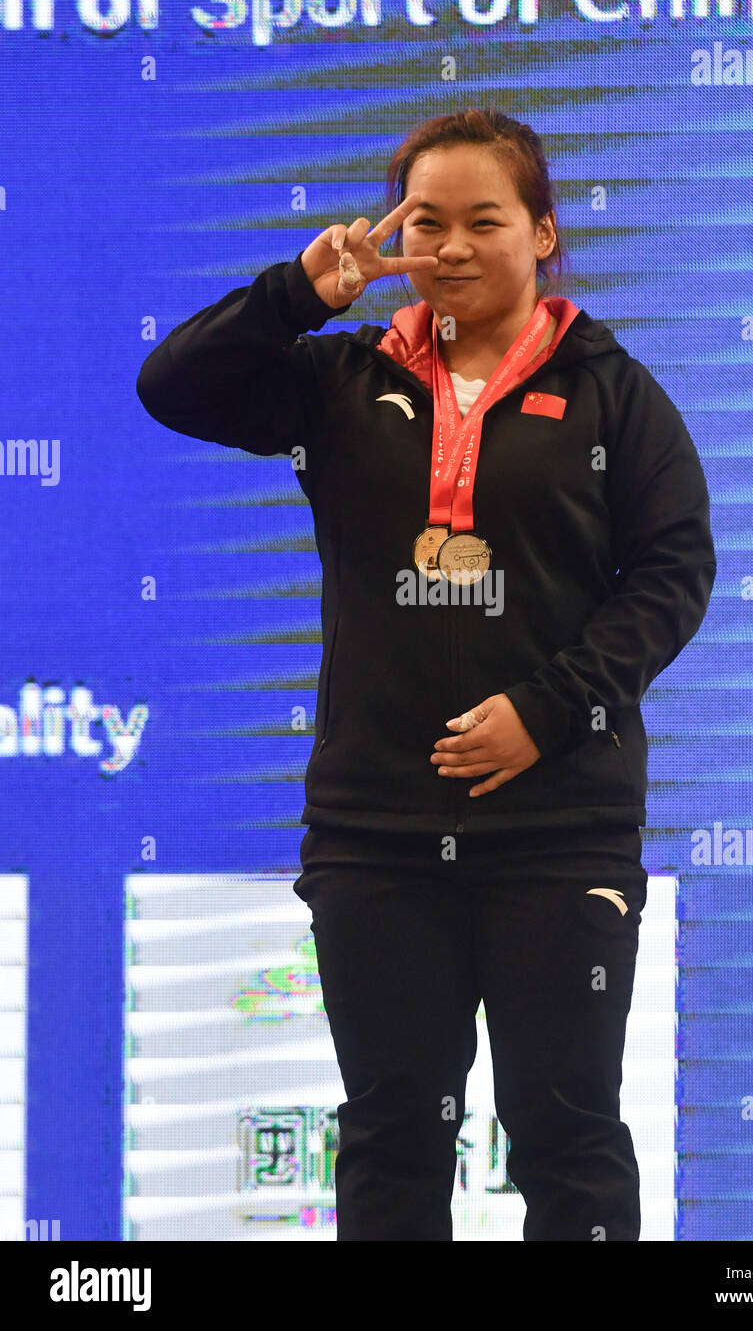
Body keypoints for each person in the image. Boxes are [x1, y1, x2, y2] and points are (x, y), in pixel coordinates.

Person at [136, 107, 716, 1241]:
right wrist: (299, 295)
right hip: (377, 829)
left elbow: (672, 576)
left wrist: (548, 713)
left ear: (543, 232)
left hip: (560, 827)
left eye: (483, 221)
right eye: (425, 222)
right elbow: (173, 387)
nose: (450, 247)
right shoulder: (338, 381)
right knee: (394, 1133)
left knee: (568, 1132)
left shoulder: (613, 393)